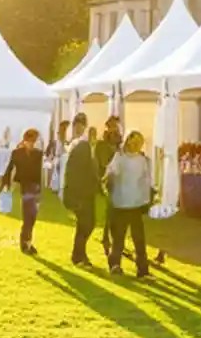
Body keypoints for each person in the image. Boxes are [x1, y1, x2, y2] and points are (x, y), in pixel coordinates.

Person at [105, 131, 153, 277]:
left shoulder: (143, 160)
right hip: (121, 203)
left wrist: (147, 199)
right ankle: (115, 264)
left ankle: (143, 269)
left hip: (136, 204)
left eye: (139, 143)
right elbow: (111, 172)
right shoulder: (119, 157)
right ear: (128, 142)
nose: (137, 145)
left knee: (139, 238)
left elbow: (147, 180)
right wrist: (111, 177)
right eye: (134, 142)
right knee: (119, 237)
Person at [63, 113, 99, 267]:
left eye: (81, 125)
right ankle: (79, 255)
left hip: (86, 191)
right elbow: (74, 172)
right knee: (86, 224)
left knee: (86, 224)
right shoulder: (80, 146)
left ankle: (79, 254)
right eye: (77, 124)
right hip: (81, 192)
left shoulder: (83, 145)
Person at [1, 129, 44, 254]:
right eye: (30, 141)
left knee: (32, 217)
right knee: (28, 216)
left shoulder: (38, 154)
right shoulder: (17, 153)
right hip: (24, 186)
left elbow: (40, 173)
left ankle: (27, 241)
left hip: (34, 186)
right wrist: (6, 184)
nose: (32, 143)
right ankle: (25, 243)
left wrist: (40, 191)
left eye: (34, 141)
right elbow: (9, 168)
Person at [96, 118, 121, 256]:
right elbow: (104, 162)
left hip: (118, 179)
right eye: (113, 126)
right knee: (111, 209)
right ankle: (107, 236)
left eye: (116, 126)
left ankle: (109, 236)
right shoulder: (102, 144)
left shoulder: (118, 142)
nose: (115, 128)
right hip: (107, 179)